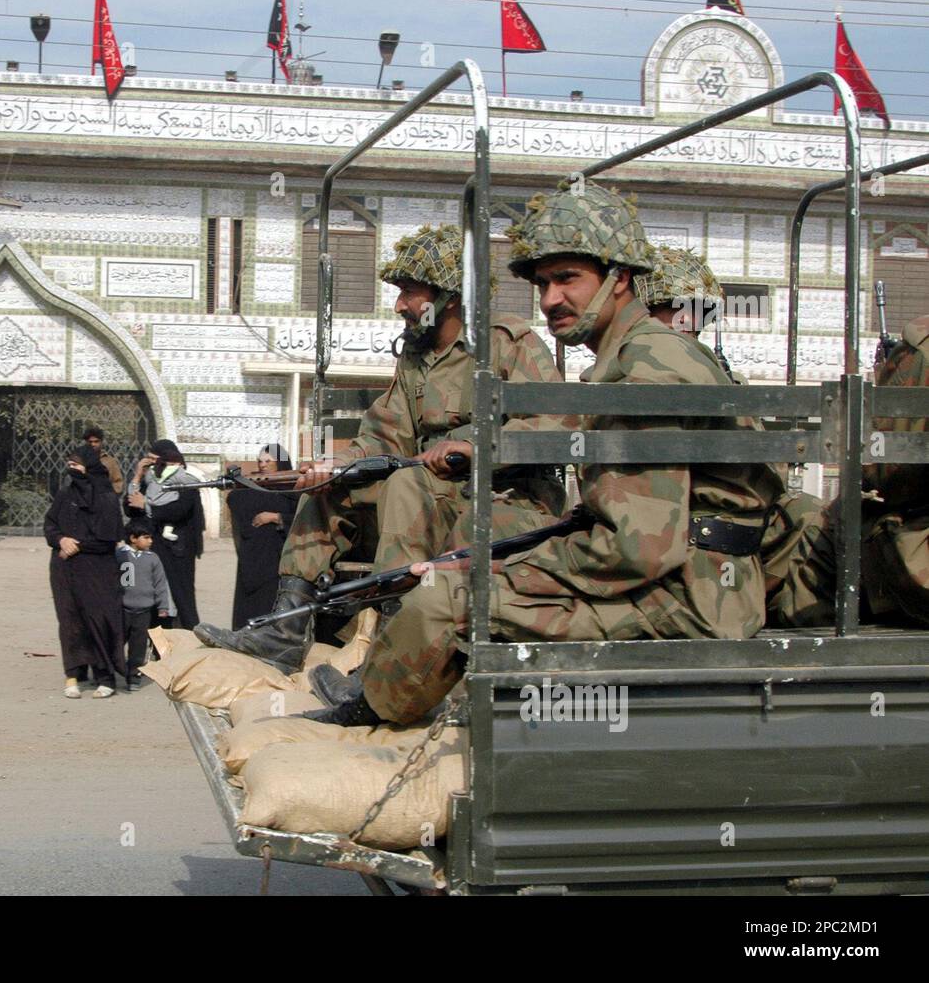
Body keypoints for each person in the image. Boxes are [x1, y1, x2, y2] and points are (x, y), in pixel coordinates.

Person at [307, 180, 784, 727]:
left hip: (687, 598)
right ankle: (384, 692)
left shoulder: (647, 367)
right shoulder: (637, 355)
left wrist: (506, 564)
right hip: (690, 581)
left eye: (567, 278)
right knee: (460, 572)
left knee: (450, 598)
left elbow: (638, 550)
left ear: (620, 278)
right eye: (542, 282)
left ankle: (372, 718)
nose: (551, 298)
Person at [193, 223, 565, 672]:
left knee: (407, 484)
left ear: (450, 295)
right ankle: (285, 632)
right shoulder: (415, 358)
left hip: (505, 495)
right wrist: (337, 464)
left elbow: (554, 426)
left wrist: (474, 446)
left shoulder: (507, 342)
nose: (400, 305)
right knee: (331, 488)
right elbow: (384, 437)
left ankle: (391, 648)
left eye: (410, 291)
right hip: (433, 492)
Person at [634, 246, 828, 615]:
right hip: (681, 532)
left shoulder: (723, 380)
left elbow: (769, 476)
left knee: (809, 515)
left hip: (740, 527)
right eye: (675, 310)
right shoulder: (640, 372)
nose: (687, 323)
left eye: (696, 313)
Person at [772, 314, 929, 628]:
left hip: (918, 568)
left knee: (825, 526)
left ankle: (819, 665)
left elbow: (881, 472)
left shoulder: (921, 348)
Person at [45, 445, 127, 699]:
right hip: (65, 569)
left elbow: (109, 538)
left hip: (97, 570)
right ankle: (73, 674)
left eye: (77, 464)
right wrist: (60, 540)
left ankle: (105, 676)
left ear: (90, 467)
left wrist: (76, 545)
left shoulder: (106, 498)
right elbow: (50, 523)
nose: (72, 469)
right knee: (70, 621)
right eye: (69, 464)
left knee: (98, 619)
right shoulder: (65, 494)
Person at [127, 439, 204, 630]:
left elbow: (178, 511)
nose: (152, 463)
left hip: (178, 550)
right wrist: (138, 476)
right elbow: (130, 508)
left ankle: (190, 642)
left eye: (155, 459)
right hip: (154, 547)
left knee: (181, 596)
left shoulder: (186, 483)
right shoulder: (150, 480)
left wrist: (146, 505)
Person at [227, 444, 297, 629]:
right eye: (260, 461)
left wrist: (276, 517)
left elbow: (303, 518)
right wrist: (239, 480)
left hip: (278, 556)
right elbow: (234, 500)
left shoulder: (293, 487)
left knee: (271, 603)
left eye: (268, 461)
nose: (263, 465)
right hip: (253, 556)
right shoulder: (254, 484)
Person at [117, 519, 174, 689]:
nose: (150, 541)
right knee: (116, 642)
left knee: (138, 646)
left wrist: (163, 606)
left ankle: (133, 676)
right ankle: (112, 671)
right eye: (146, 537)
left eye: (151, 537)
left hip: (144, 611)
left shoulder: (152, 559)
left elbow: (160, 584)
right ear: (133, 538)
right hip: (122, 609)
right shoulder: (119, 555)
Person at [83, 426, 125, 496]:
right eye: (90, 442)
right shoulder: (79, 459)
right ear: (86, 442)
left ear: (101, 442)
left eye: (96, 441)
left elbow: (118, 483)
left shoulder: (110, 461)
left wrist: (107, 493)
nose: (93, 444)